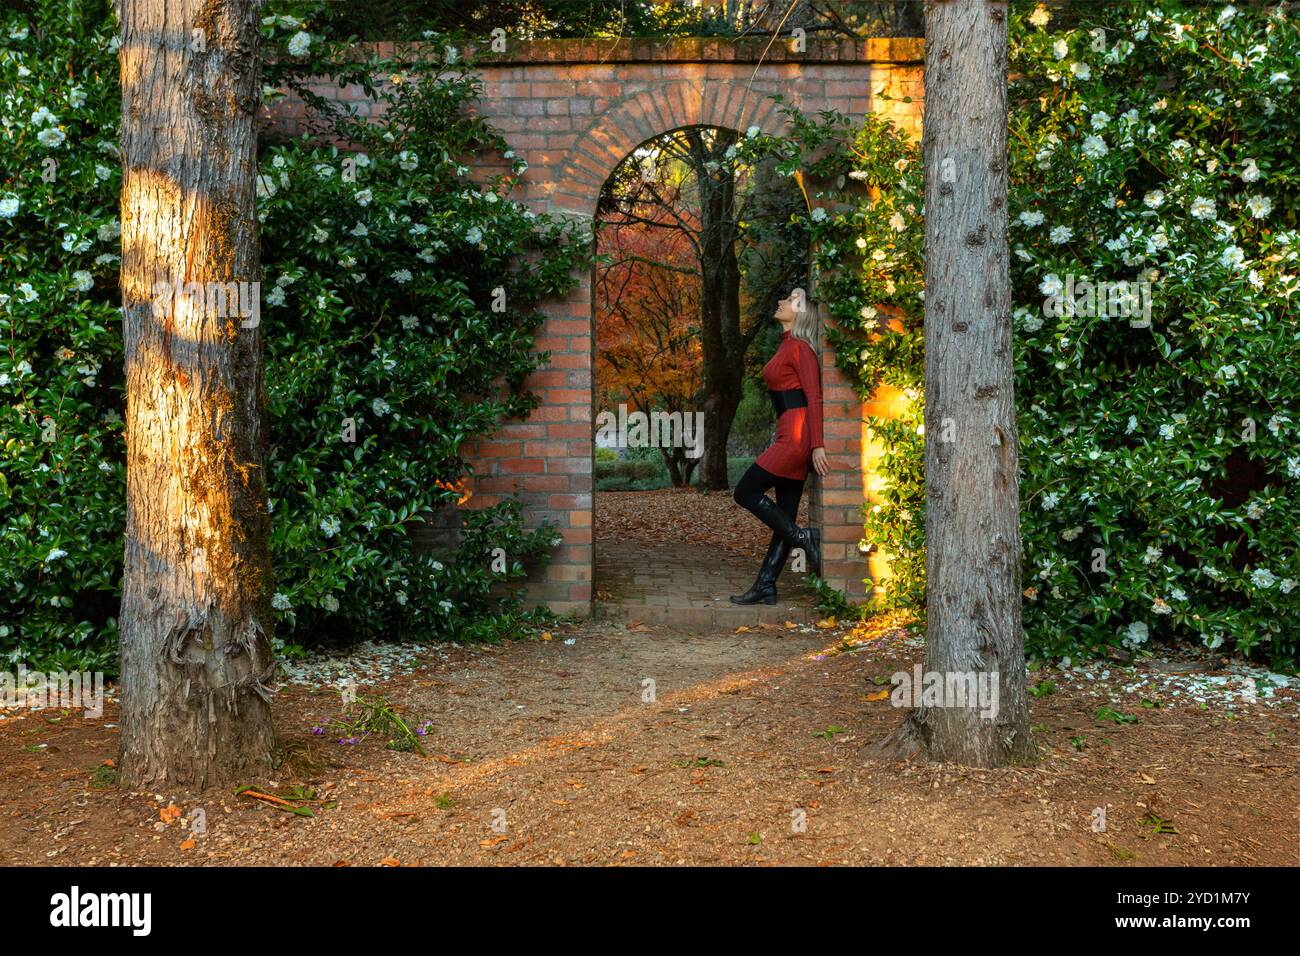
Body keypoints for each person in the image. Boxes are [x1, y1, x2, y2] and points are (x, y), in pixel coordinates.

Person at [730, 289, 828, 605]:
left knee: (745, 491)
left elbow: (814, 398)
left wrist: (817, 446)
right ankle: (766, 584)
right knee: (784, 512)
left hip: (797, 437)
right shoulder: (787, 346)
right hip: (789, 430)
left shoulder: (801, 349)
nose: (781, 302)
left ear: (800, 313)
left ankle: (803, 538)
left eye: (789, 300)